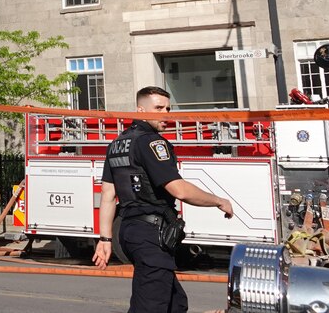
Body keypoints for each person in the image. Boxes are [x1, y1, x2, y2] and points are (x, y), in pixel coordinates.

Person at [93, 86, 234, 313]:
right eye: (158, 108)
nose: (166, 114)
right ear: (141, 110)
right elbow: (179, 190)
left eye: (168, 108)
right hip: (151, 236)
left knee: (175, 304)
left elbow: (108, 195)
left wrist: (105, 240)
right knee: (150, 307)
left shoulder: (117, 144)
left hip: (130, 232)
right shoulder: (151, 143)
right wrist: (218, 200)